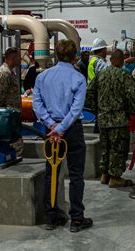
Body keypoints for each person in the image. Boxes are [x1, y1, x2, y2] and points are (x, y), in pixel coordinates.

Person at [33, 39, 93, 233]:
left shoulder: (43, 77)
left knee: (52, 171)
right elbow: (76, 109)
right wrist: (62, 127)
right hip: (71, 130)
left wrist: (52, 125)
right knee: (76, 174)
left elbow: (37, 104)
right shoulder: (78, 78)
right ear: (75, 56)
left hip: (50, 130)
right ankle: (76, 218)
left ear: (56, 55)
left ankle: (52, 216)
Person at [86, 49, 135, 188]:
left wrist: (96, 110)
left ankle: (105, 174)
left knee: (106, 147)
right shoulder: (124, 75)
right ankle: (115, 177)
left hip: (103, 119)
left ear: (110, 60)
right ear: (122, 62)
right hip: (119, 120)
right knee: (118, 148)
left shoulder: (100, 75)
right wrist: (131, 113)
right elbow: (133, 97)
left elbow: (89, 93)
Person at [0, 47, 23, 157]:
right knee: (16, 143)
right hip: (7, 115)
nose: (21, 60)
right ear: (13, 58)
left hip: (12, 114)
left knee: (15, 141)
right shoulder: (4, 73)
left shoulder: (10, 72)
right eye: (19, 57)